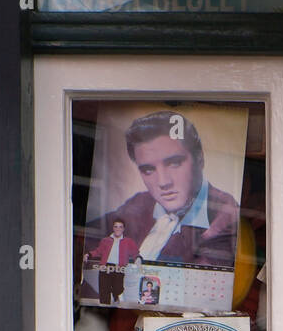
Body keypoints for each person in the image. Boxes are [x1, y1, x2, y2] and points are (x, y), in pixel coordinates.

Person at [91, 110, 239, 272]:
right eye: (148, 170)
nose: (163, 182)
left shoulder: (224, 218)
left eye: (174, 163)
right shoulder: (142, 202)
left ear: (199, 159)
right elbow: (88, 236)